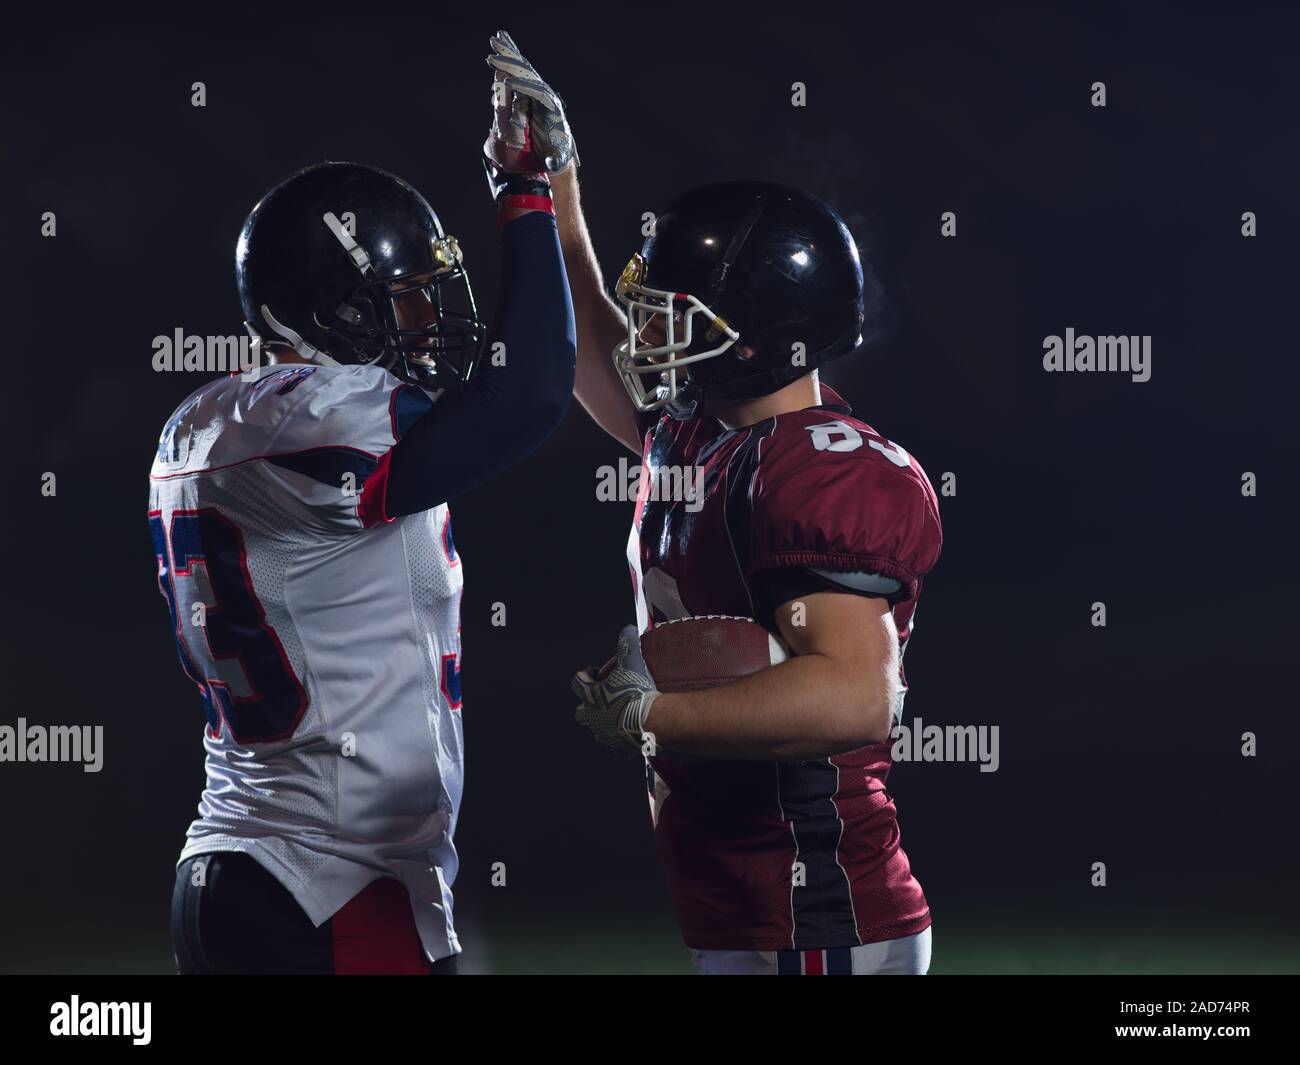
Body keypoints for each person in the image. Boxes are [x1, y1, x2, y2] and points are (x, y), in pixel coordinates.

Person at [484, 31, 942, 975]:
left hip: (817, 907)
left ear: (760, 341)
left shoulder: (822, 471)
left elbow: (859, 695)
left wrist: (653, 715)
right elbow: (591, 354)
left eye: (674, 316)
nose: (648, 330)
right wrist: (550, 190)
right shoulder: (705, 433)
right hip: (748, 898)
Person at [151, 157, 575, 974]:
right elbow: (531, 394)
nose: (426, 318)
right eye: (404, 295)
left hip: (243, 865)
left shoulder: (198, 421)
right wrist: (527, 192)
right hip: (325, 889)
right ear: (334, 309)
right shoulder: (325, 417)